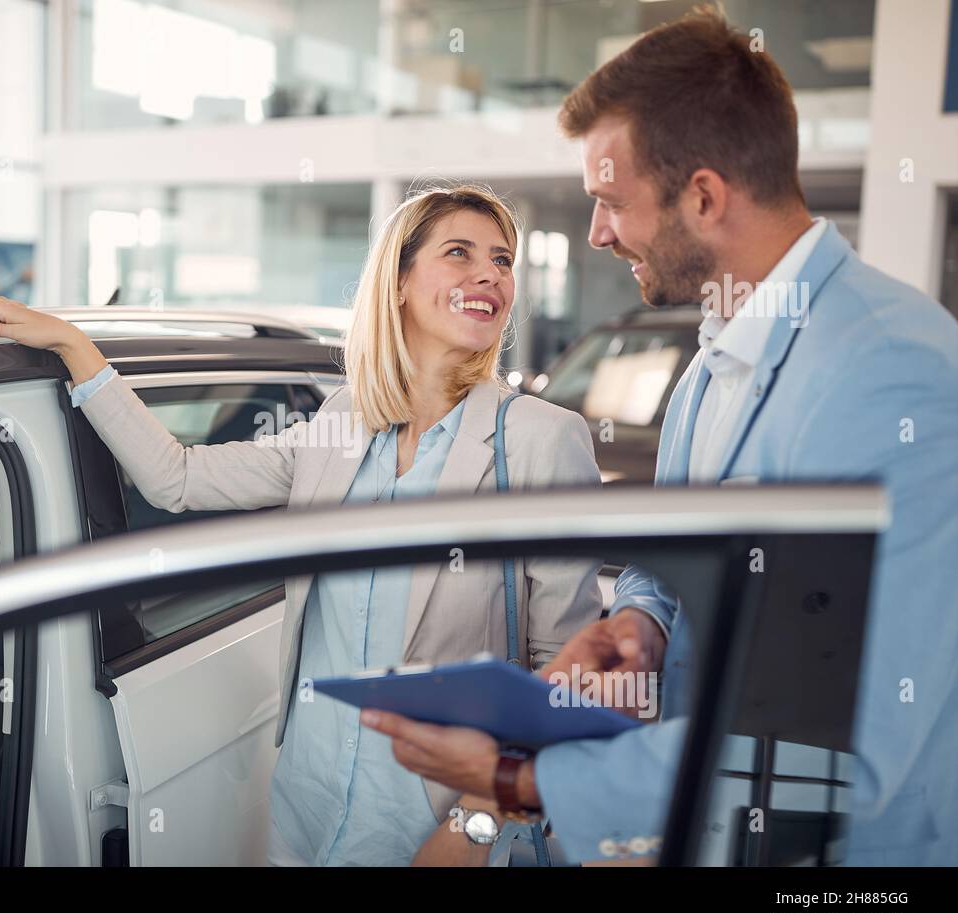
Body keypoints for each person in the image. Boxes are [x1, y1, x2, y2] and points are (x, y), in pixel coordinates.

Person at [369, 8, 958, 866]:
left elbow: (839, 749)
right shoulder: (714, 356)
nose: (598, 233)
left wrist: (522, 782)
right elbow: (677, 562)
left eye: (610, 202)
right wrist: (641, 623)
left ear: (705, 196)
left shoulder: (891, 374)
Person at [0, 183, 604, 866]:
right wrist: (74, 348)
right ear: (401, 282)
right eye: (460, 253)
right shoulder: (341, 425)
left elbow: (566, 674)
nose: (489, 275)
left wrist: (477, 822)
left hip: (440, 831)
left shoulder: (540, 439)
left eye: (502, 261)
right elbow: (177, 478)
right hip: (308, 811)